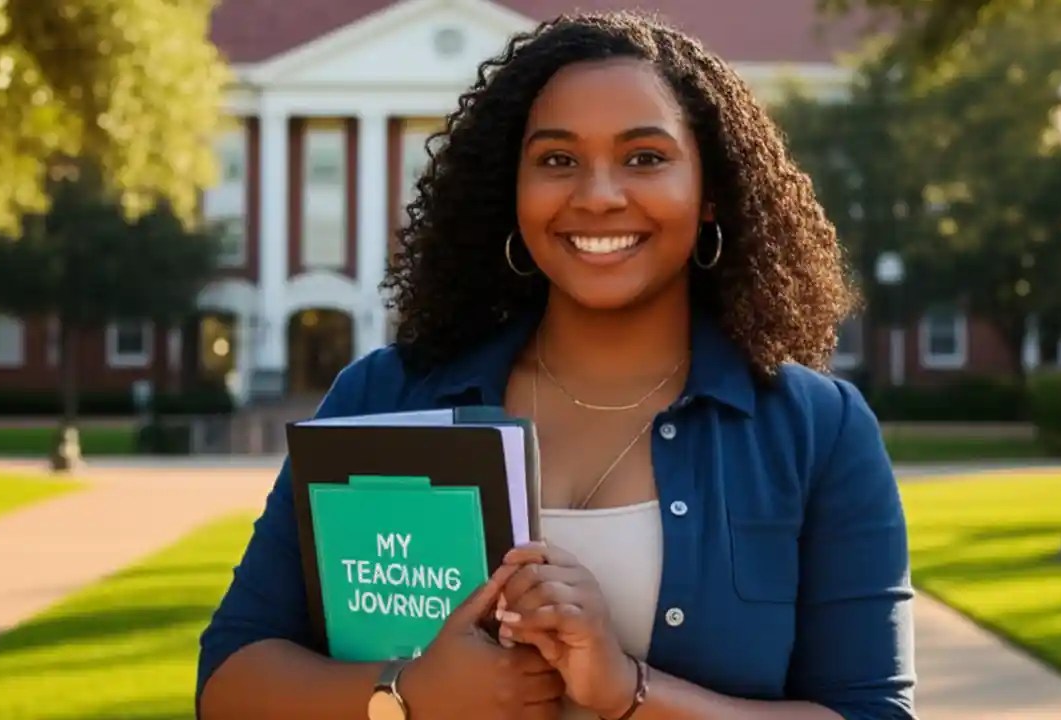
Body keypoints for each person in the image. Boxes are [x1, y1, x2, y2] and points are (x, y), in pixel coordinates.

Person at [196, 10, 916, 720]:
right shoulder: (385, 396)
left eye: (645, 158)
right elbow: (228, 680)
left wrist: (628, 690)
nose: (598, 196)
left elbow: (872, 713)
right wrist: (405, 693)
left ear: (710, 196)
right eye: (557, 160)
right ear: (511, 194)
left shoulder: (814, 431)